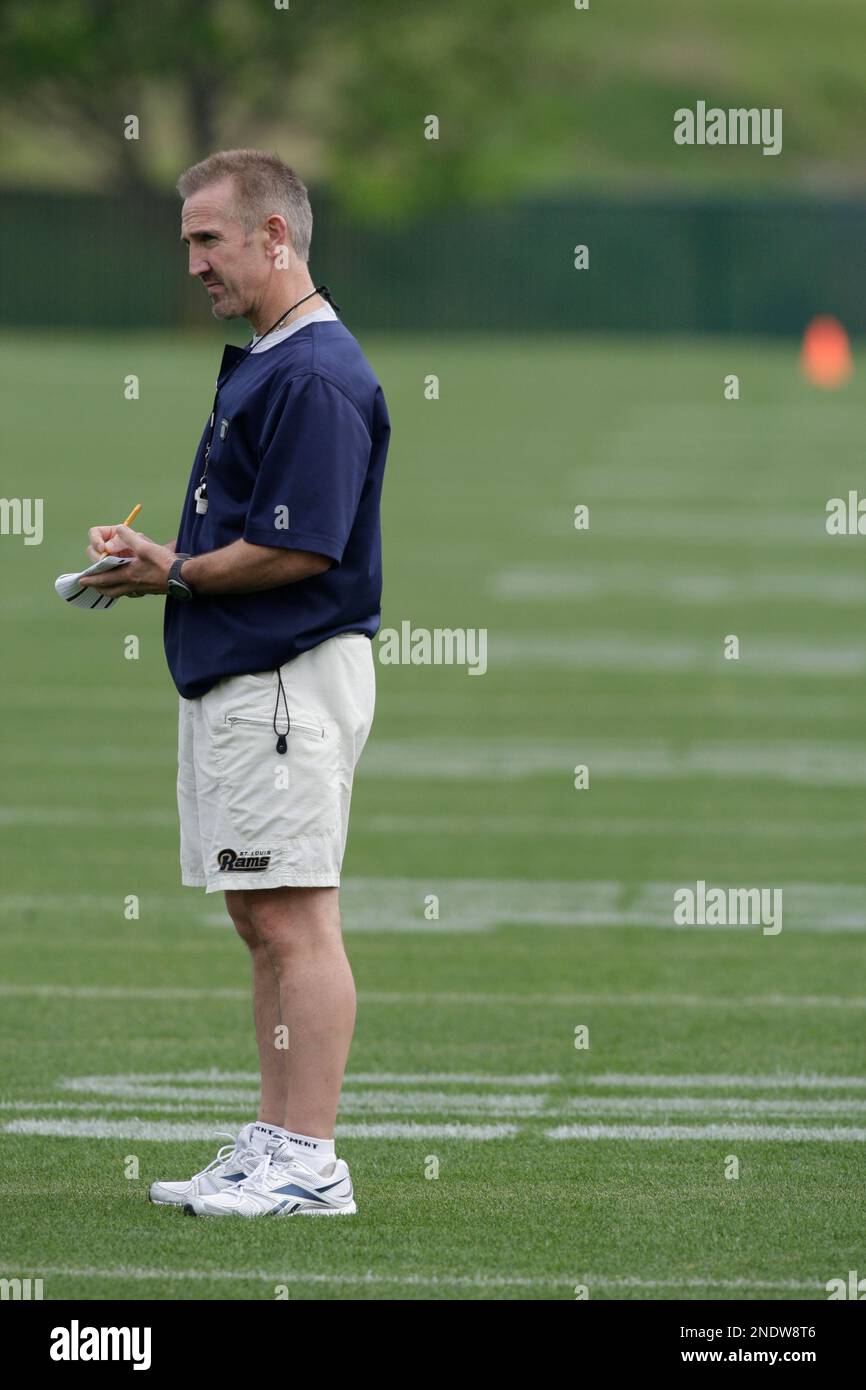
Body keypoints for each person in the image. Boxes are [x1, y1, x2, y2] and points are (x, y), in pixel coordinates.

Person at [81, 149, 390, 1217]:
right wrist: (165, 560)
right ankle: (274, 1139)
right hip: (249, 676)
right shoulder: (273, 355)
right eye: (187, 244)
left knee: (295, 915)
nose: (195, 265)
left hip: (282, 678)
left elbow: (304, 548)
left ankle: (310, 1158)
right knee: (260, 914)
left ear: (275, 237)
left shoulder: (310, 369)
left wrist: (176, 571)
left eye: (210, 241)